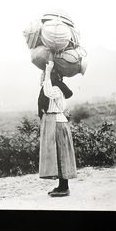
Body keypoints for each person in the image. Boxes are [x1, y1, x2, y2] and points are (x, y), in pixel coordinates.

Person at [37, 62, 77, 196]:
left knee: (61, 154)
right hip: (52, 122)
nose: (42, 77)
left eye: (45, 75)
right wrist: (46, 73)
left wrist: (48, 71)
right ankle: (61, 186)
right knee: (56, 155)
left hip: (58, 122)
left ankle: (65, 187)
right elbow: (44, 89)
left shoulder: (56, 88)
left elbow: (48, 92)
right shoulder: (52, 86)